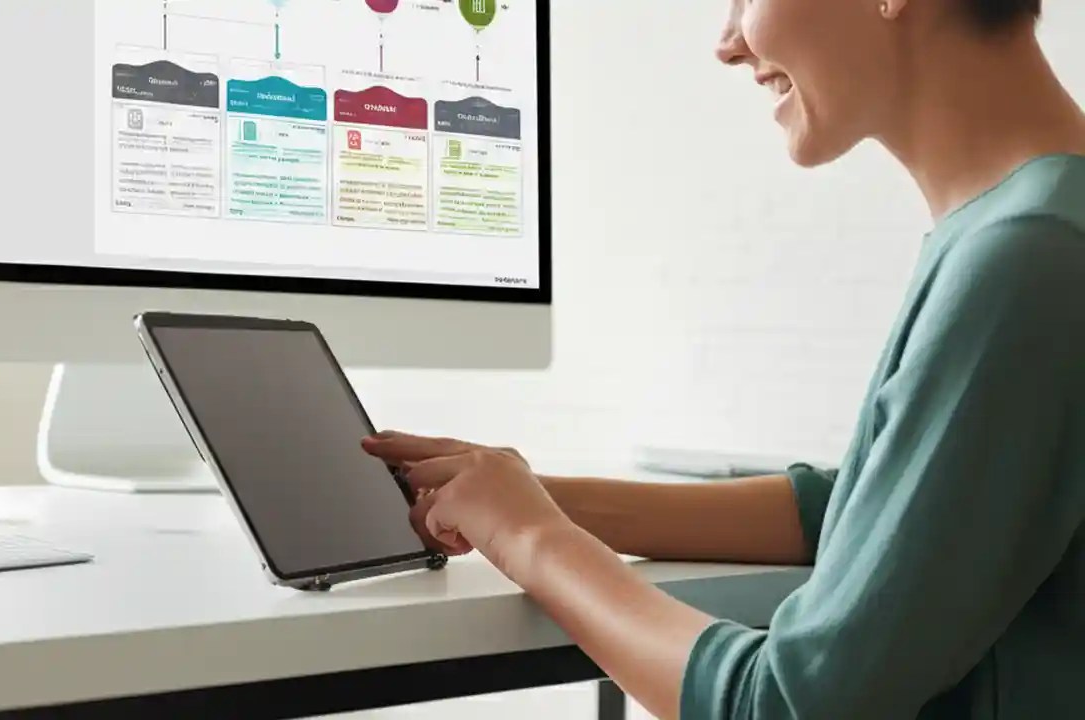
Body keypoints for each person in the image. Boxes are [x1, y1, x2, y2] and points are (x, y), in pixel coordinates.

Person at [361, 0, 1085, 717]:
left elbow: (790, 706)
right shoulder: (1034, 225)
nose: (729, 42)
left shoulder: (1029, 256)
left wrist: (532, 538)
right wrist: (523, 496)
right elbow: (885, 506)